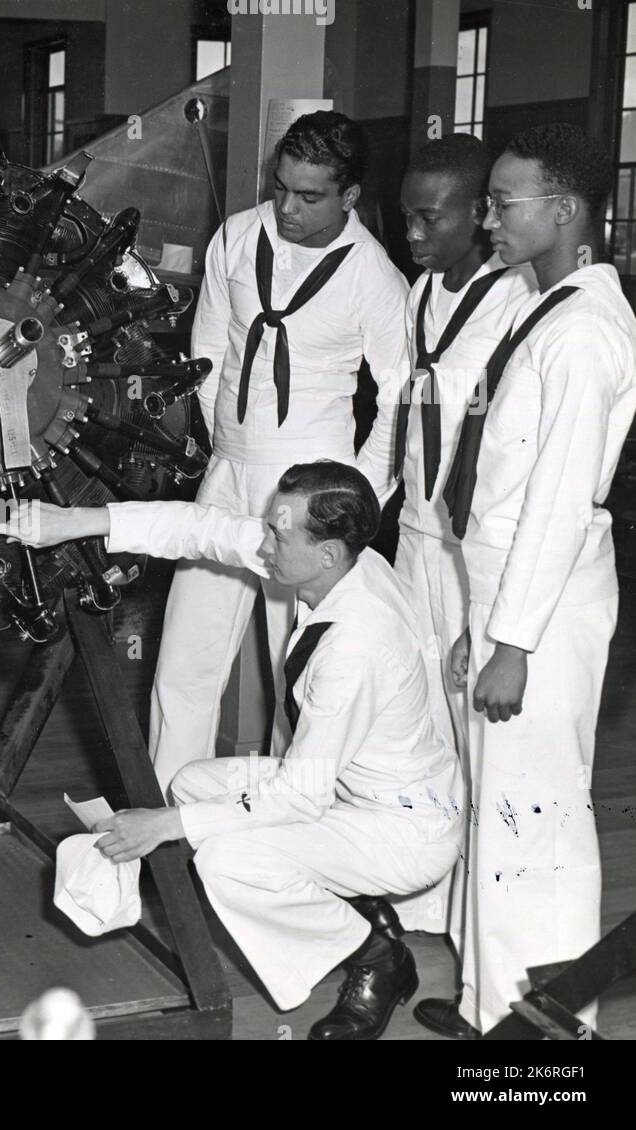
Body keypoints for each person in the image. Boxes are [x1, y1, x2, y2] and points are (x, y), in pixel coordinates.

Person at [0, 461, 463, 1040]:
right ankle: (361, 914)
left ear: (328, 554)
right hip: (351, 790)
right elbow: (202, 527)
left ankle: (376, 960)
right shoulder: (338, 565)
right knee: (191, 783)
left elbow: (299, 795)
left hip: (403, 828)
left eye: (276, 536)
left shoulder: (358, 645)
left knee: (226, 861)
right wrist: (74, 521)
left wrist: (164, 826)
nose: (261, 543)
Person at [416, 124, 636, 1038]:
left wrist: (513, 643)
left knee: (536, 822)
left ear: (567, 210)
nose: (492, 219)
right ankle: (491, 1010)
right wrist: (483, 620)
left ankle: (546, 1038)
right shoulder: (539, 304)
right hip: (506, 594)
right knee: (498, 814)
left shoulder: (586, 332)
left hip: (542, 613)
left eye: (507, 204)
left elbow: (555, 503)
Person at [151, 111, 410, 795]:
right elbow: (205, 353)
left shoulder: (376, 279)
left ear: (349, 196)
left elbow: (400, 398)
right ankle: (167, 829)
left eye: (309, 196)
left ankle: (284, 832)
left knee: (297, 670)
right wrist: (229, 447)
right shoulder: (238, 236)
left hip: (312, 482)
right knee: (185, 658)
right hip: (229, 470)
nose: (288, 208)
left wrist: (355, 503)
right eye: (281, 188)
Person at [388, 135, 535, 941]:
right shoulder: (418, 295)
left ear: (480, 217)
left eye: (427, 218)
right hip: (415, 533)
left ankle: (489, 921)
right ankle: (423, 896)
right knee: (416, 716)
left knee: (477, 728)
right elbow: (409, 419)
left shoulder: (515, 301)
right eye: (405, 215)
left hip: (473, 546)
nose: (411, 233)